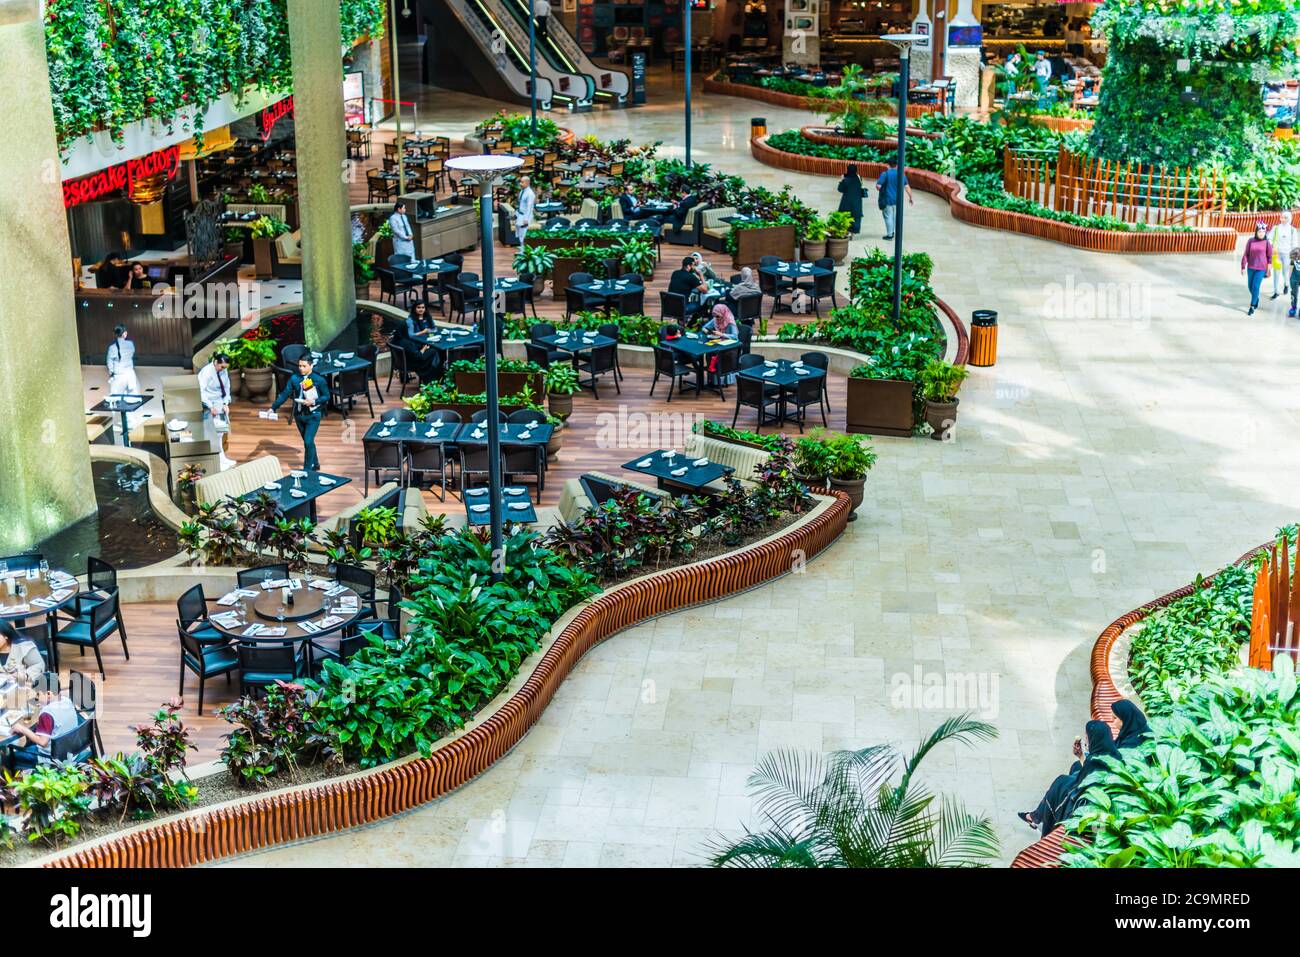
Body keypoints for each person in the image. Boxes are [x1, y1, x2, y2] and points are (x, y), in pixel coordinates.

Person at [1017, 720, 1120, 834]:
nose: (1086, 743)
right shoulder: (1113, 755)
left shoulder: (1095, 763)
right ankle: (1036, 815)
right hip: (1094, 800)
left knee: (1059, 785)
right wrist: (1081, 756)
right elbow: (1090, 771)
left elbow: (1088, 778)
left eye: (1087, 739)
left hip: (1088, 814)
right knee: (1075, 768)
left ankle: (1039, 820)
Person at [269, 355, 331, 472]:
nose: (301, 368)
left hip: (313, 415)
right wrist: (273, 408)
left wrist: (314, 401)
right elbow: (284, 394)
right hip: (299, 416)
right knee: (309, 442)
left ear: (311, 366)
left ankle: (307, 470)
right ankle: (316, 463)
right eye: (299, 366)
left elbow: (326, 396)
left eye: (304, 366)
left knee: (307, 442)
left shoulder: (319, 380)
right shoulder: (294, 379)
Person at [8, 673, 80, 770]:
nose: (37, 698)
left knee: (8, 757)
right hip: (71, 752)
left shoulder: (47, 714)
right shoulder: (66, 701)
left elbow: (42, 742)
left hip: (51, 759)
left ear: (49, 694)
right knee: (30, 741)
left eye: (38, 694)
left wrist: (22, 729)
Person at [197, 351, 235, 469]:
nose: (223, 370)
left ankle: (222, 457)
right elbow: (201, 390)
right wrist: (210, 406)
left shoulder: (223, 370)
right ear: (216, 362)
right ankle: (216, 460)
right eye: (222, 367)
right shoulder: (206, 372)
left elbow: (227, 387)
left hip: (219, 403)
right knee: (213, 433)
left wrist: (225, 403)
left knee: (221, 431)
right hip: (209, 403)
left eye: (225, 368)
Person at [875, 159, 913, 241]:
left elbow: (878, 186)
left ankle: (890, 235)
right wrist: (910, 198)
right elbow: (907, 187)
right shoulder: (901, 175)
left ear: (888, 165)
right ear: (896, 166)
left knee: (888, 217)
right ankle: (897, 233)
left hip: (887, 200)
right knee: (896, 217)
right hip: (898, 201)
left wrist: (881, 190)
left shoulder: (885, 174)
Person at [1241, 222, 1273, 315]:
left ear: (1265, 233)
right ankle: (1256, 297)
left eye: (1263, 232)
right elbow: (1246, 254)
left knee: (1255, 286)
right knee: (1250, 287)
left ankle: (1252, 306)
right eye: (1259, 231)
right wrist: (1243, 266)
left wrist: (1269, 266)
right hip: (1251, 267)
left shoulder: (1267, 242)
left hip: (1261, 268)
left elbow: (1270, 256)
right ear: (1256, 232)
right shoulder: (1251, 240)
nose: (1261, 233)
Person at [0, 621, 45, 687]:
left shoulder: (24, 647)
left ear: (5, 635)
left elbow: (39, 664)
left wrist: (25, 674)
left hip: (24, 689)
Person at [1269, 211, 1296, 299]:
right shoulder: (1276, 228)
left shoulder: (1292, 230)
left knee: (1285, 272)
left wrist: (1294, 258)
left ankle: (1286, 284)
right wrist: (1271, 246)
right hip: (1276, 254)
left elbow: (1294, 244)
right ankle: (1276, 291)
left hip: (1287, 255)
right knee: (1276, 273)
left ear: (1289, 219)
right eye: (1282, 217)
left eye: (1285, 218)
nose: (1283, 219)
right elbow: (1269, 238)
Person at [836, 164, 864, 235]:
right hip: (857, 201)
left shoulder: (846, 180)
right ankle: (853, 232)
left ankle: (846, 231)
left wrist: (841, 180)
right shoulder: (859, 178)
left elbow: (840, 189)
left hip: (846, 201)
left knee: (845, 215)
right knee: (855, 216)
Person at [515, 175, 536, 245]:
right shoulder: (522, 191)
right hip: (520, 214)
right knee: (519, 234)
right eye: (520, 182)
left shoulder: (530, 194)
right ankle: (521, 249)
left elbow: (529, 207)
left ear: (527, 183)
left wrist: (526, 219)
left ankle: (523, 251)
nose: (520, 184)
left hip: (525, 216)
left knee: (523, 234)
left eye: (522, 182)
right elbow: (520, 203)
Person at [1289, 247, 1300, 318]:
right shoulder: (1293, 260)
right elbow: (1290, 269)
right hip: (1294, 279)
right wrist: (1289, 278)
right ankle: (1293, 307)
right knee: (1294, 294)